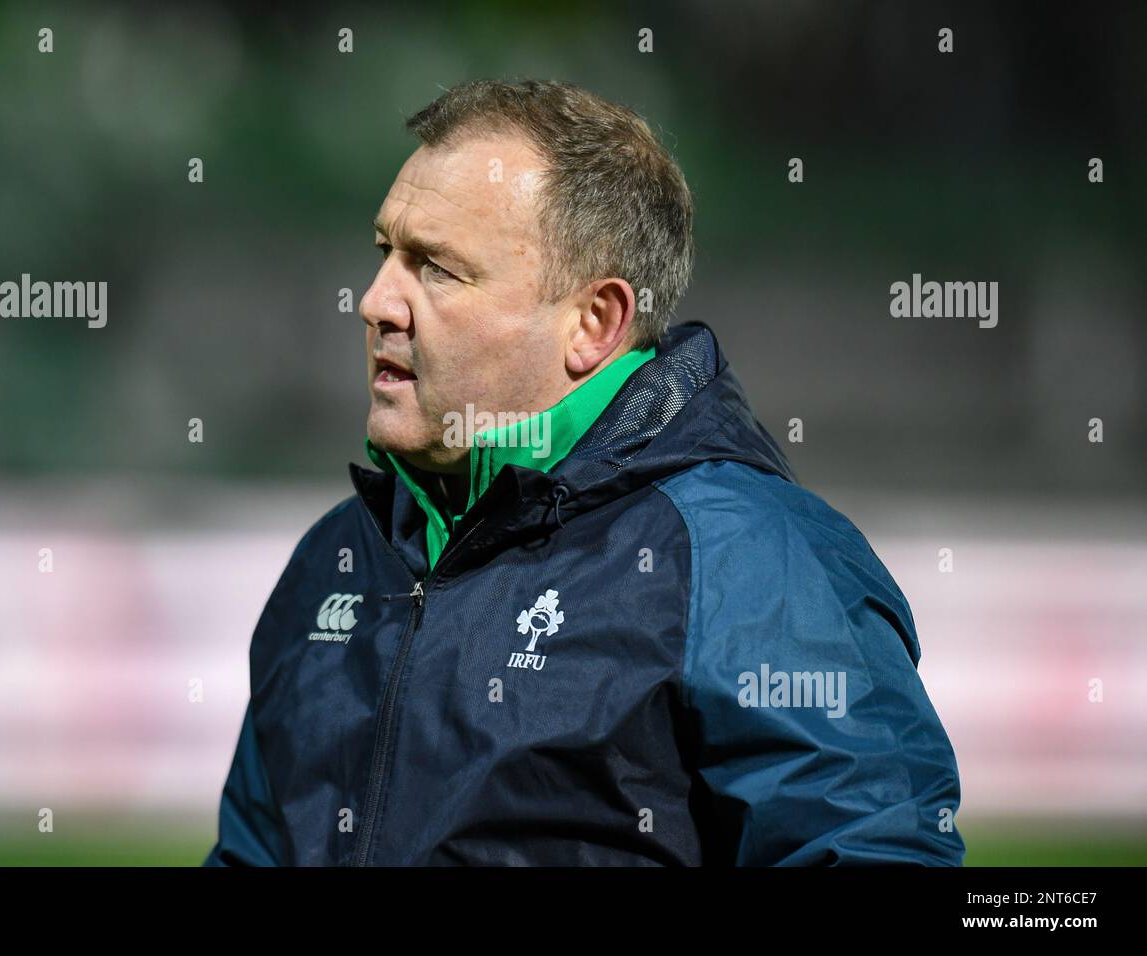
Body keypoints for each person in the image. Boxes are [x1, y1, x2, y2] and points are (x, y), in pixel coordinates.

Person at [205, 78, 965, 866]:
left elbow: (877, 851)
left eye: (435, 268)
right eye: (385, 253)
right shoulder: (337, 558)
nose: (375, 302)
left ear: (594, 322)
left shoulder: (747, 562)